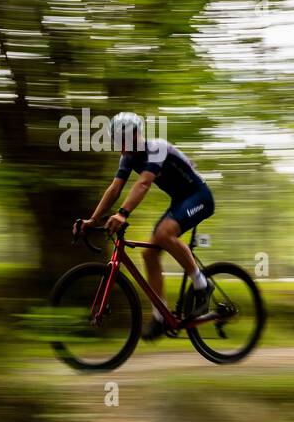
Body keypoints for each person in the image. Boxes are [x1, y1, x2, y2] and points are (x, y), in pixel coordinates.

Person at [76, 112, 214, 340]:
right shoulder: (128, 157)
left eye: (121, 142)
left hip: (200, 197)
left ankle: (202, 285)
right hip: (180, 201)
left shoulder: (157, 147)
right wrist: (92, 219)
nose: (119, 149)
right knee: (149, 254)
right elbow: (114, 189)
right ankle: (160, 317)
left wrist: (122, 214)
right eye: (115, 143)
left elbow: (144, 183)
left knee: (163, 234)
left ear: (133, 136)